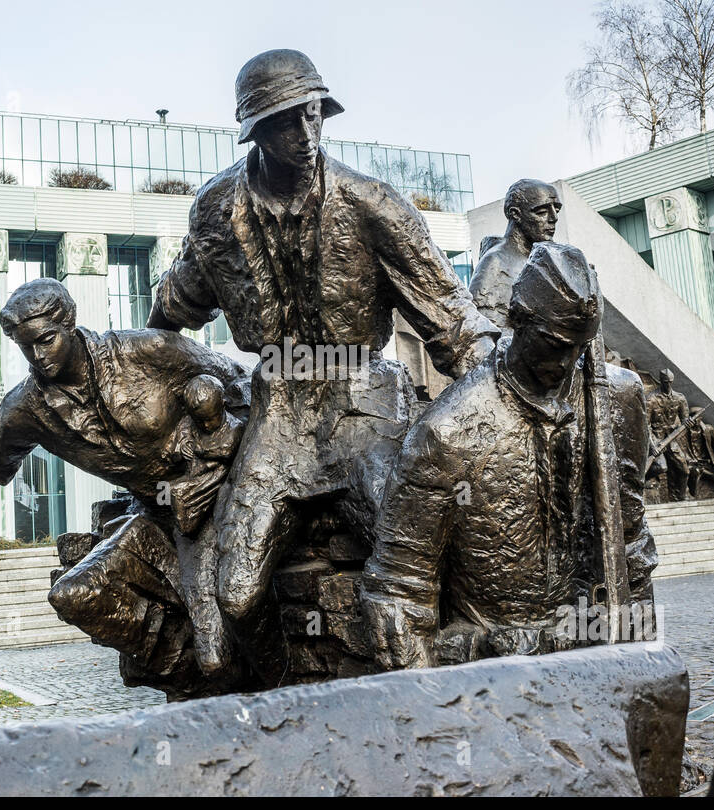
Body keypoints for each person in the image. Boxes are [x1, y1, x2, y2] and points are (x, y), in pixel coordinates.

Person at [147, 49, 499, 666]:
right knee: (234, 595)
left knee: (414, 554)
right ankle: (279, 702)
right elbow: (176, 306)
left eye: (315, 116)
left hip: (364, 400)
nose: (308, 136)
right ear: (255, 130)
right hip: (279, 410)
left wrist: (505, 408)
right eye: (289, 122)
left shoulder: (373, 206)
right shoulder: (215, 211)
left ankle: (452, 686)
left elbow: (455, 323)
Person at [0, 278, 250, 683]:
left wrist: (219, 464)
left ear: (69, 323)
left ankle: (217, 664)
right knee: (73, 595)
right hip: (162, 516)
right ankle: (179, 662)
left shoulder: (150, 350)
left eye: (46, 340)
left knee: (227, 630)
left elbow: (244, 384)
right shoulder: (26, 409)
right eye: (26, 347)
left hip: (228, 488)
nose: (38, 356)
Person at [359, 242, 657, 669]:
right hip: (492, 669)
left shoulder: (620, 397)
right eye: (554, 344)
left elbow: (631, 542)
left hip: (602, 654)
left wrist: (643, 664)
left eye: (580, 346)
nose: (568, 361)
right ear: (517, 320)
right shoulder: (446, 433)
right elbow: (399, 592)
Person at [469, 179, 563, 331]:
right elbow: (487, 334)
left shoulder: (550, 259)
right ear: (515, 214)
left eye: (556, 210)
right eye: (542, 212)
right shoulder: (495, 263)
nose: (553, 218)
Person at [648, 369, 694, 502]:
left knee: (684, 470)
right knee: (661, 467)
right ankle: (641, 480)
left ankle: (681, 497)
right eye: (665, 382)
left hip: (672, 438)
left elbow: (684, 420)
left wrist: (688, 422)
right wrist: (653, 446)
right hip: (656, 438)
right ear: (660, 381)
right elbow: (646, 426)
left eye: (670, 382)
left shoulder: (679, 398)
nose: (668, 385)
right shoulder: (651, 398)